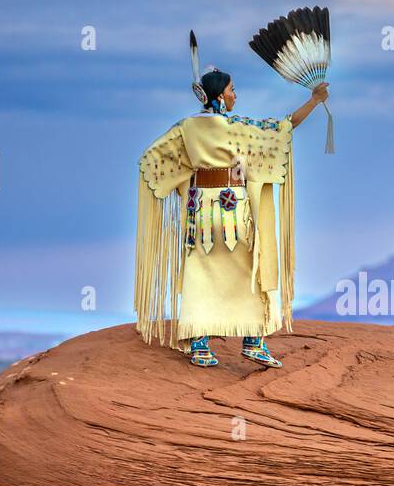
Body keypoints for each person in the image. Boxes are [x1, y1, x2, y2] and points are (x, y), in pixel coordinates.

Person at [134, 37, 327, 369]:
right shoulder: (238, 129)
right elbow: (284, 126)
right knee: (248, 267)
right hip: (233, 207)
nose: (236, 95)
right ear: (221, 96)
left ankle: (200, 344)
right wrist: (314, 100)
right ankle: (253, 341)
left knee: (198, 270)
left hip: (199, 209)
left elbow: (152, 160)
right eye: (233, 90)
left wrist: (183, 181)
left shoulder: (186, 128)